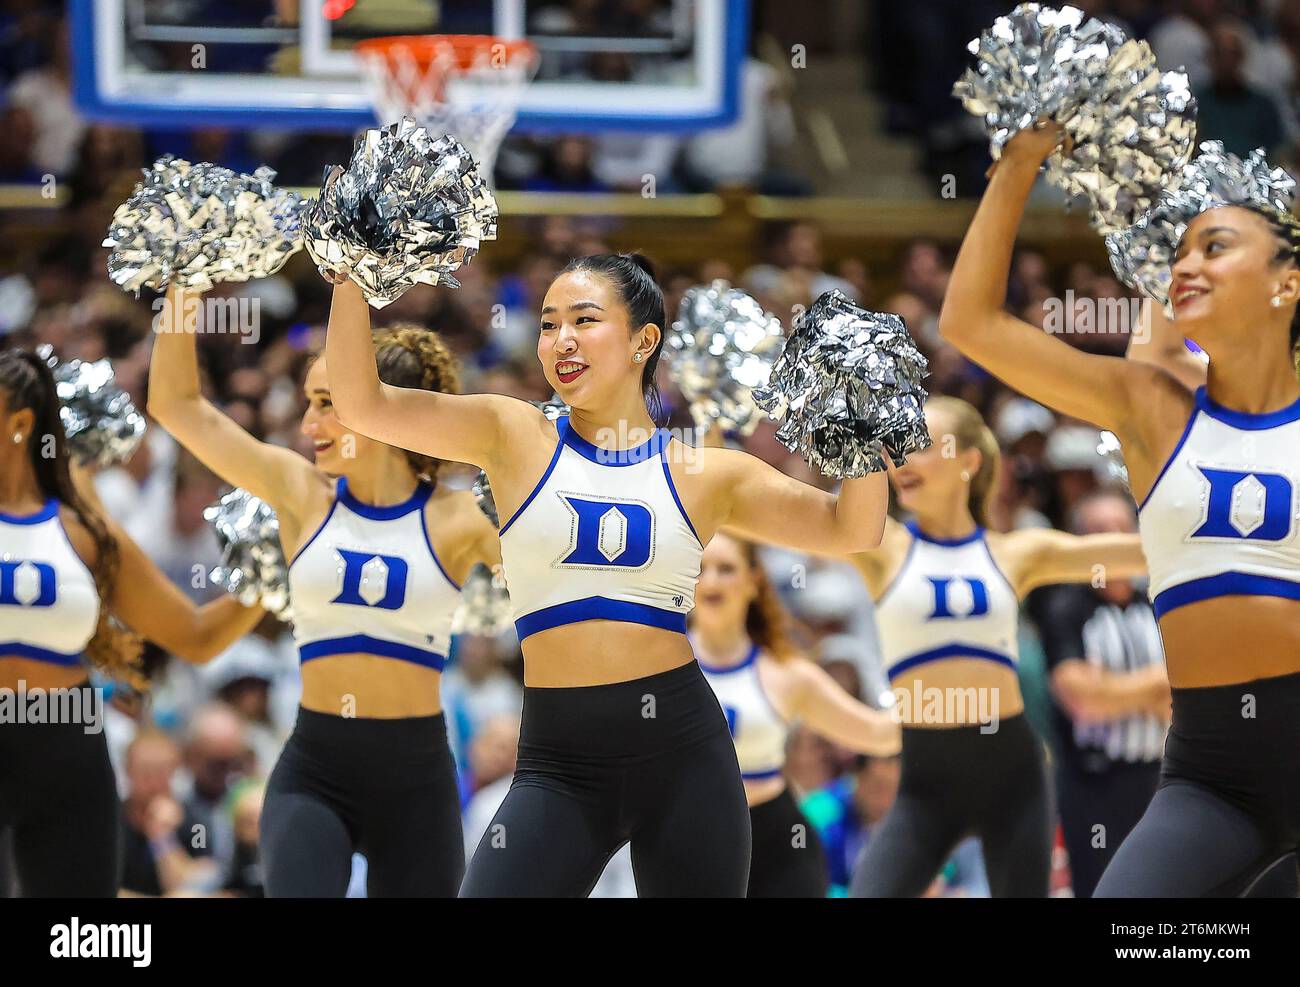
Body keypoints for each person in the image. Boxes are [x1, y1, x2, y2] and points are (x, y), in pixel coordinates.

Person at [323, 252, 890, 896]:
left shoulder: (706, 471)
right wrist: (351, 272)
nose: (560, 340)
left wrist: (862, 418)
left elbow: (853, 528)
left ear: (643, 341)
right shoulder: (512, 433)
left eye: (584, 321)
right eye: (547, 324)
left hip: (682, 756)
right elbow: (359, 402)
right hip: (559, 764)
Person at [939, 121, 1300, 896]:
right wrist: (1017, 163)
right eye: (1179, 252)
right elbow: (970, 324)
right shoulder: (1151, 409)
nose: (1185, 265)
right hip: (1211, 774)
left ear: (1287, 281)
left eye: (1216, 246)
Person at [147, 284, 500, 897]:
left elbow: (559, 585)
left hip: (417, 781)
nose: (308, 424)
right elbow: (177, 405)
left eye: (326, 403)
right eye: (309, 403)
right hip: (316, 768)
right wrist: (184, 285)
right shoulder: (299, 491)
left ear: (379, 405)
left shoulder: (459, 518)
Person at [846, 396, 1147, 897]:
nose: (903, 459)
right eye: (896, 447)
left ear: (969, 461)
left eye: (920, 445)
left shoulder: (1016, 553)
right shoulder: (880, 547)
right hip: (925, 782)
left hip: (1014, 777)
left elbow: (1138, 553)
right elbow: (781, 513)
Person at [0, 347, 262, 897]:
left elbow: (194, 635)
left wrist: (272, 578)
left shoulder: (86, 533)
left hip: (67, 748)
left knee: (78, 939)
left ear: (21, 424)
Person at [691, 531, 900, 897]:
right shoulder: (660, 664)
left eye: (726, 569)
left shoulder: (785, 673)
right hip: (691, 840)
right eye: (701, 569)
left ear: (754, 581)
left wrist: (942, 701)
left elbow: (877, 733)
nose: (711, 581)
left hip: (778, 845)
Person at [1036, 490, 1171, 898]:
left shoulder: (1158, 604)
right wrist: (1157, 684)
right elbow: (1083, 701)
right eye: (1098, 532)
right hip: (1094, 786)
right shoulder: (1065, 608)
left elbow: (1190, 697)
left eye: (1120, 530)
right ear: (1080, 544)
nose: (1112, 541)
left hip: (1162, 781)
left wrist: (1113, 689)